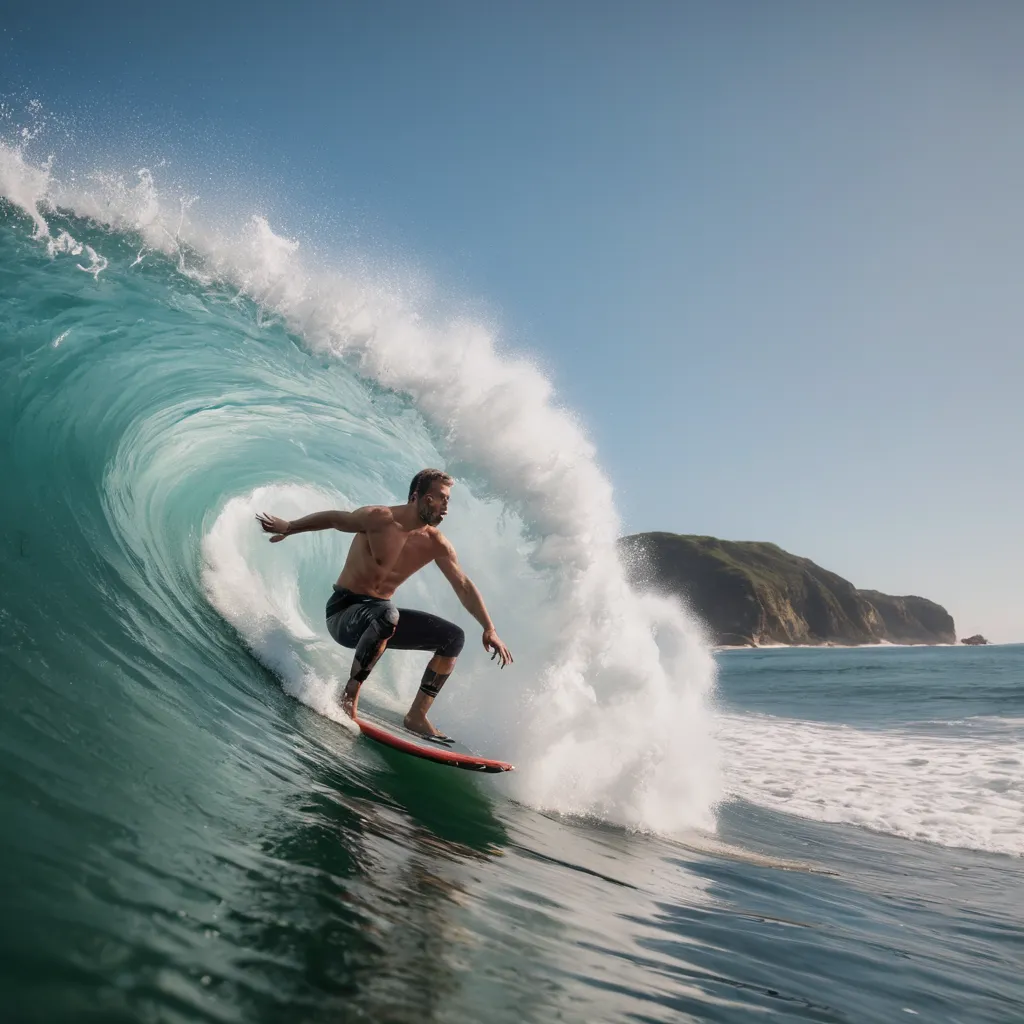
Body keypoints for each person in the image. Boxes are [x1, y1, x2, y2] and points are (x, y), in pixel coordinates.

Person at [256, 468, 513, 741]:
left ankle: (417, 716)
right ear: (417, 497)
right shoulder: (379, 519)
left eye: (448, 500)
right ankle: (349, 698)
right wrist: (290, 527)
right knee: (388, 614)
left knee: (453, 638)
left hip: (379, 617)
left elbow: (462, 585)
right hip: (344, 612)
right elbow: (335, 519)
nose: (445, 507)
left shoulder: (436, 544)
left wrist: (489, 627)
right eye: (438, 498)